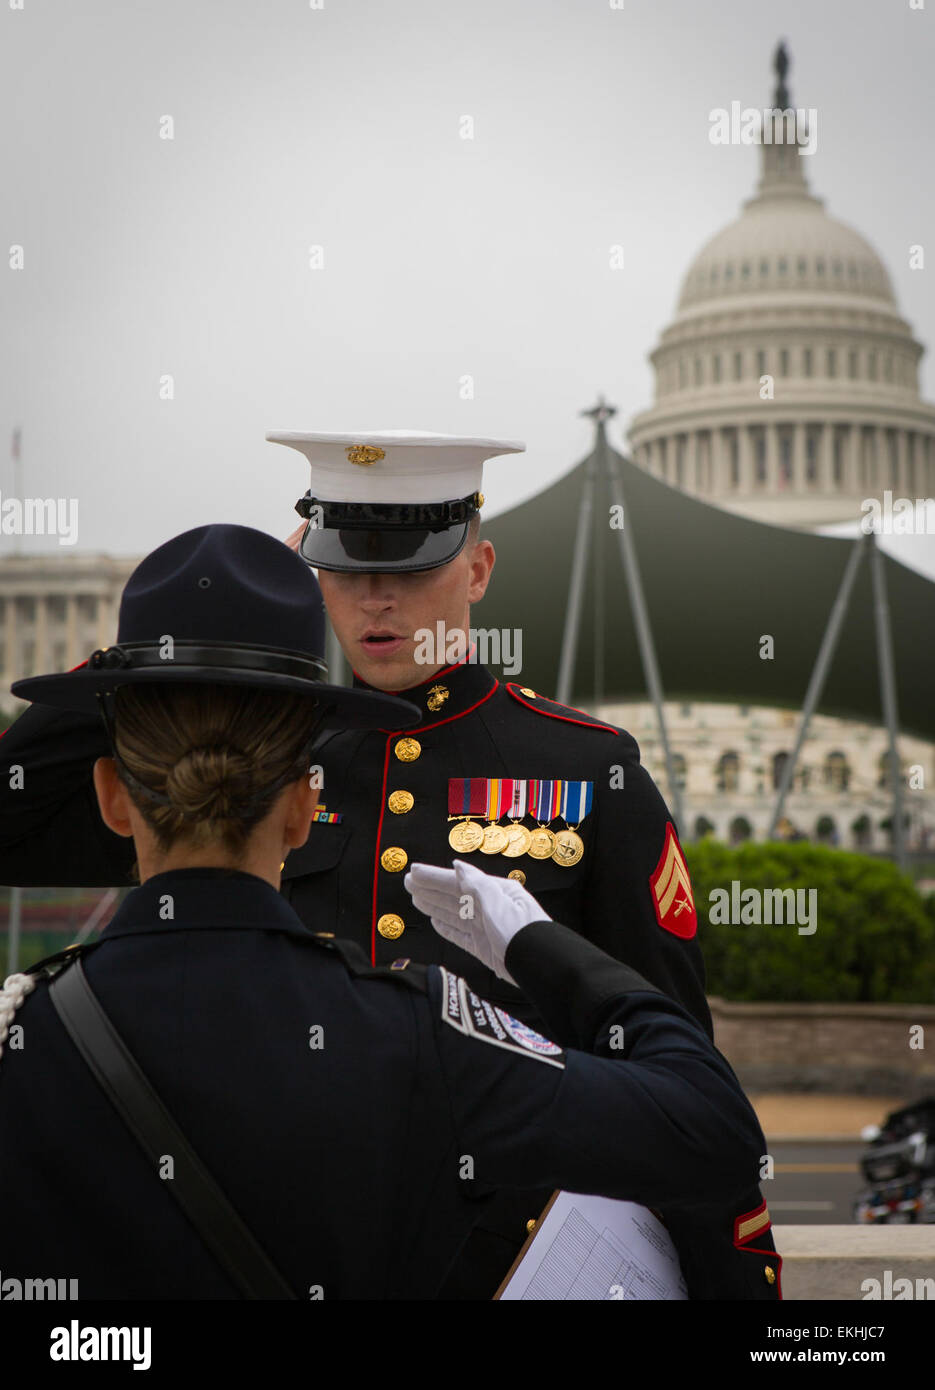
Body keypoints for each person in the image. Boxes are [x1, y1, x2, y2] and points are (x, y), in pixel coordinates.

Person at [0, 431, 711, 1291]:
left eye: (411, 570)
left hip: (504, 1265)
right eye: (343, 569)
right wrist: (160, 642)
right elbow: (16, 819)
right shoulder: (266, 762)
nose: (377, 602)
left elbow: (676, 1058)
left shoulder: (582, 767)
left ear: (478, 571)